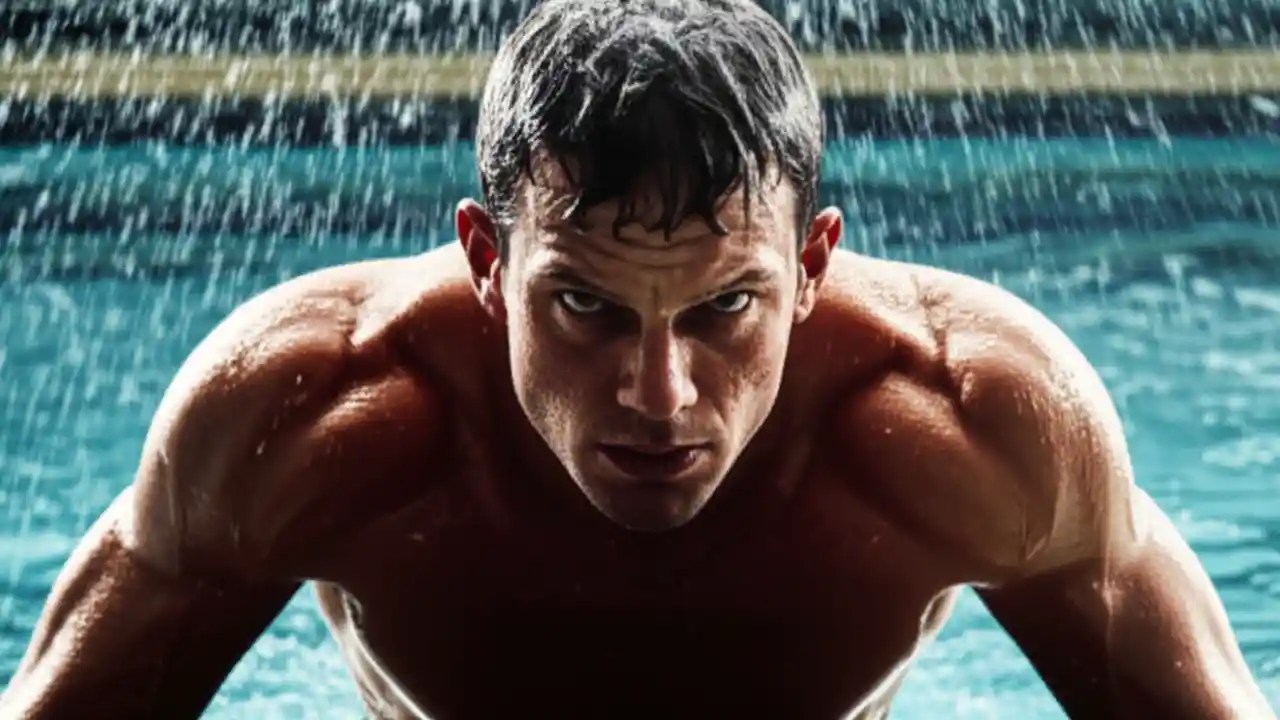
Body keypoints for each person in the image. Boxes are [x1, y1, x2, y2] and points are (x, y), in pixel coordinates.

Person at [2, 1, 1274, 718]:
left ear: (815, 261)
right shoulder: (315, 415)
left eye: (725, 308)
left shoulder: (976, 425)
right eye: (587, 308)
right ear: (486, 260)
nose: (659, 399)